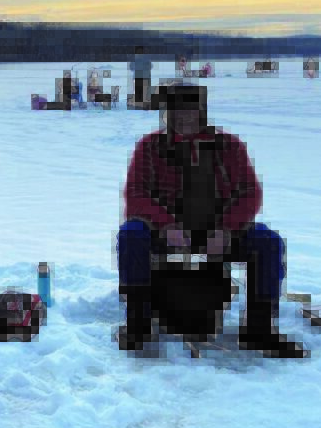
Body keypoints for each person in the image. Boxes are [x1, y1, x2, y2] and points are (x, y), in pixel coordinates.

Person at [116, 83, 306, 358]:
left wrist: (226, 230)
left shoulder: (229, 146)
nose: (184, 118)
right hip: (166, 231)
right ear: (168, 114)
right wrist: (166, 225)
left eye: (191, 111)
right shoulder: (150, 146)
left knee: (268, 242)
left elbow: (250, 192)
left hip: (219, 230)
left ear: (202, 111)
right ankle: (138, 324)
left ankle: (260, 329)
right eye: (177, 112)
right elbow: (135, 193)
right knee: (131, 234)